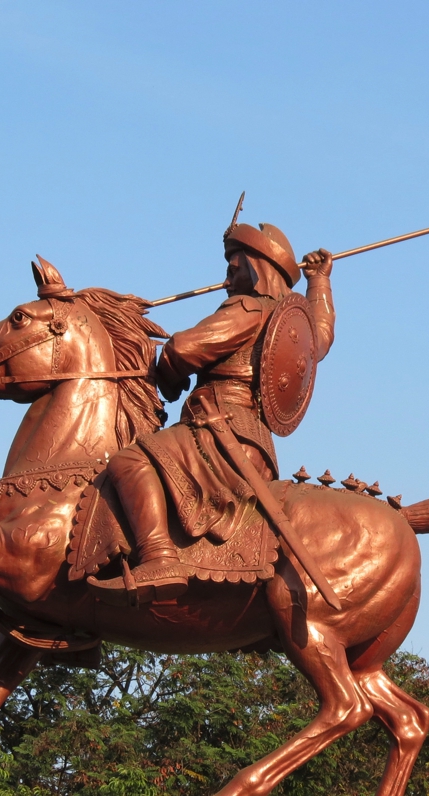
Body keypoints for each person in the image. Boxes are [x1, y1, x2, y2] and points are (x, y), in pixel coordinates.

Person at [89, 222, 335, 604]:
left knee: (128, 462)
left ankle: (157, 559)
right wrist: (319, 284)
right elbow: (319, 339)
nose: (226, 280)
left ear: (256, 266)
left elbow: (186, 348)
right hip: (258, 448)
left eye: (233, 269)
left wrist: (165, 366)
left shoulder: (248, 307)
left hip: (216, 432)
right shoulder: (287, 324)